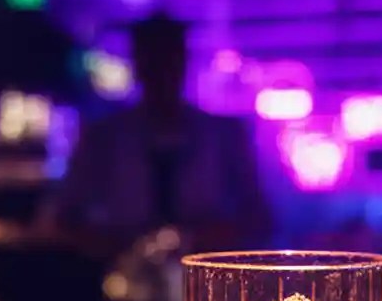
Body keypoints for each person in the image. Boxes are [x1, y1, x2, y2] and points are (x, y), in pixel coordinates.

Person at [41, 13, 270, 253]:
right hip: (121, 278)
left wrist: (210, 238)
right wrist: (116, 246)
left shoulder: (225, 136)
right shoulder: (102, 138)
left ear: (183, 62)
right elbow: (60, 219)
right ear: (138, 65)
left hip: (204, 276)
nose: (161, 71)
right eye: (153, 60)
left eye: (169, 59)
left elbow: (260, 219)